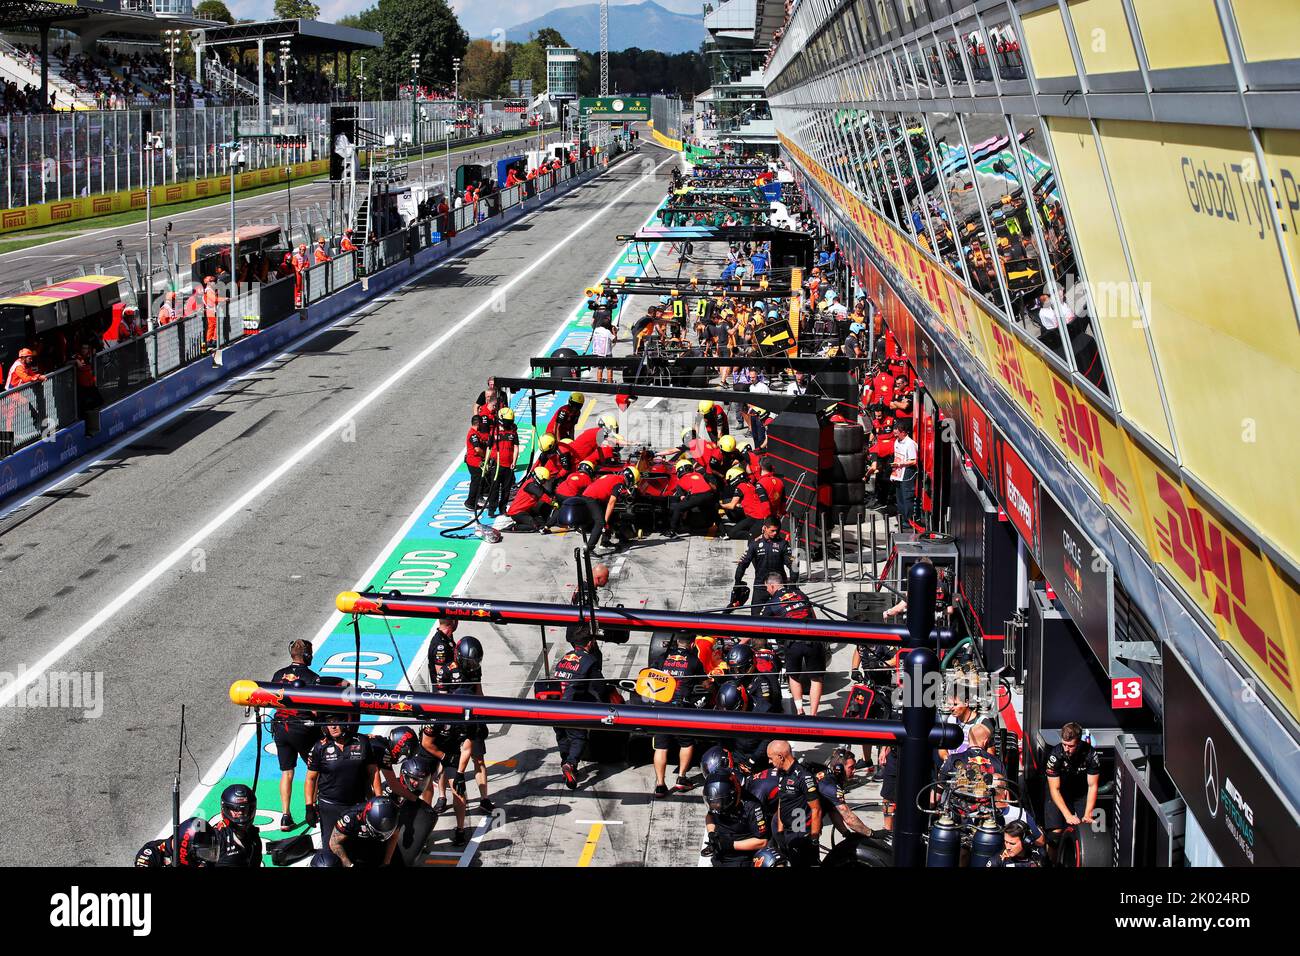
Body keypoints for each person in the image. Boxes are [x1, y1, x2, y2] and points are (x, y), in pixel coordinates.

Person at [270, 639, 322, 830]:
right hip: (302, 729)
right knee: (315, 768)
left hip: (280, 727)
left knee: (287, 772)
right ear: (307, 655)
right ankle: (312, 807)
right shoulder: (312, 678)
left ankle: (285, 816)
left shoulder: (277, 674)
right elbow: (315, 710)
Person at [649, 633, 706, 798]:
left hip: (661, 707)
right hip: (681, 708)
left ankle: (660, 785)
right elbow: (704, 682)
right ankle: (681, 778)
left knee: (661, 746)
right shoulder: (694, 661)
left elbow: (649, 675)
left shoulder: (662, 657)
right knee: (687, 743)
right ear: (692, 644)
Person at [304, 719, 380, 840]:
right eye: (329, 723)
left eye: (336, 721)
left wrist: (378, 799)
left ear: (345, 722)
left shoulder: (362, 741)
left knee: (359, 846)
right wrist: (309, 807)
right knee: (330, 848)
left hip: (358, 805)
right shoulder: (319, 747)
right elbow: (310, 779)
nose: (333, 726)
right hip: (329, 807)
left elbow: (373, 772)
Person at [748, 740, 821, 866]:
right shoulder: (782, 774)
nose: (769, 762)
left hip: (801, 833)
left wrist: (814, 839)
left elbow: (816, 809)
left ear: (780, 757)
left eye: (771, 758)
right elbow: (782, 799)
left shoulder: (804, 777)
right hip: (786, 833)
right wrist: (780, 828)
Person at [551, 626, 605, 789]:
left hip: (553, 706)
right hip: (572, 708)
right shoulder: (590, 661)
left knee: (562, 737)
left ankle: (566, 764)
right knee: (579, 737)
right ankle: (570, 764)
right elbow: (599, 687)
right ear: (590, 643)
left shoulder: (565, 657)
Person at [761, 574, 823, 715]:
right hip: (812, 638)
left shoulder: (772, 602)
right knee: (816, 677)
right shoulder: (800, 594)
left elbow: (758, 625)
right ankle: (814, 715)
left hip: (792, 642)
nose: (767, 590)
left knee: (794, 676)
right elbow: (813, 615)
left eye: (766, 588)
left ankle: (800, 710)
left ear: (772, 586)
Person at [1044, 722, 1102, 861]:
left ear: (1079, 742)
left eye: (1071, 746)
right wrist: (1068, 815)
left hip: (1080, 792)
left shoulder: (1090, 754)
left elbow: (1093, 786)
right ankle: (1051, 863)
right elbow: (1054, 789)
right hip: (1059, 792)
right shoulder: (1055, 755)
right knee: (1055, 835)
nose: (1067, 749)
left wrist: (1088, 814)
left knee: (1090, 830)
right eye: (1064, 744)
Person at [702, 773, 769, 867]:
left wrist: (730, 844)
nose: (716, 806)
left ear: (732, 796)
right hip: (719, 856)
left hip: (740, 860)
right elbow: (710, 815)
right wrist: (711, 833)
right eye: (713, 802)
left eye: (719, 803)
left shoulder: (752, 807)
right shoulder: (717, 803)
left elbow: (762, 842)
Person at [734, 518, 793, 615]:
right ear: (765, 528)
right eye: (772, 530)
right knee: (755, 618)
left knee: (783, 617)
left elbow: (792, 564)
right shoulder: (754, 544)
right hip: (760, 586)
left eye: (777, 531)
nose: (775, 533)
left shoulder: (784, 544)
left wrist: (793, 585)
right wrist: (737, 583)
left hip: (779, 587)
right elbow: (743, 564)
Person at [329, 796, 400, 867]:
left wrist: (386, 862)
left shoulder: (394, 817)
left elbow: (394, 835)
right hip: (354, 847)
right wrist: (348, 864)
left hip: (377, 847)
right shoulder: (351, 818)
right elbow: (334, 843)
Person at [212, 783, 262, 866]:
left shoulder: (254, 838)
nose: (240, 814)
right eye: (235, 810)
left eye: (244, 810)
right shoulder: (216, 839)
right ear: (226, 810)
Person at [667, 459, 718, 538]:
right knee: (714, 512)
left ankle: (672, 531)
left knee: (678, 508)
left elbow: (683, 498)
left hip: (696, 499)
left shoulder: (680, 481)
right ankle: (724, 533)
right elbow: (713, 488)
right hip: (709, 497)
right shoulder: (700, 475)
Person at [488, 406, 519, 518]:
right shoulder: (493, 432)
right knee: (494, 489)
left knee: (506, 490)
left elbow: (516, 447)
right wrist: (487, 462)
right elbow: (489, 448)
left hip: (508, 466)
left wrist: (514, 462)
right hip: (496, 465)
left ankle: (503, 509)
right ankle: (491, 509)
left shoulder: (513, 433)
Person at [890, 421, 918, 529]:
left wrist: (900, 464)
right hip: (898, 471)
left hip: (908, 472)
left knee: (907, 497)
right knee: (899, 497)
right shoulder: (897, 442)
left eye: (897, 434)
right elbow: (896, 457)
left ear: (903, 433)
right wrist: (893, 473)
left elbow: (913, 461)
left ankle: (909, 521)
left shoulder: (910, 444)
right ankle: (901, 520)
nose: (895, 436)